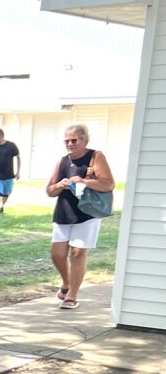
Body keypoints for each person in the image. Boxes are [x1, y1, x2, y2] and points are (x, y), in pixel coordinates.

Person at [45, 124, 115, 309]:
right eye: (66, 141)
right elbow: (50, 190)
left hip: (87, 213)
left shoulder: (95, 156)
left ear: (84, 140)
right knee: (57, 254)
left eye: (74, 140)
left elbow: (108, 184)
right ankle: (67, 284)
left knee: (78, 253)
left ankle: (72, 296)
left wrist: (83, 181)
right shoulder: (63, 161)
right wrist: (60, 185)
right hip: (64, 211)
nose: (69, 144)